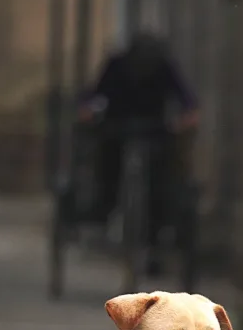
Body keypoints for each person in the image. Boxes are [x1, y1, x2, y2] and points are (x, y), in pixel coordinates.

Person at [79, 32, 199, 276]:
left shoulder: (164, 67)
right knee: (107, 165)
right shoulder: (117, 66)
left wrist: (188, 116)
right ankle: (104, 209)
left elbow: (186, 99)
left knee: (161, 181)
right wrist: (88, 110)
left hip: (153, 133)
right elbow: (95, 93)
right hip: (118, 130)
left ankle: (155, 237)